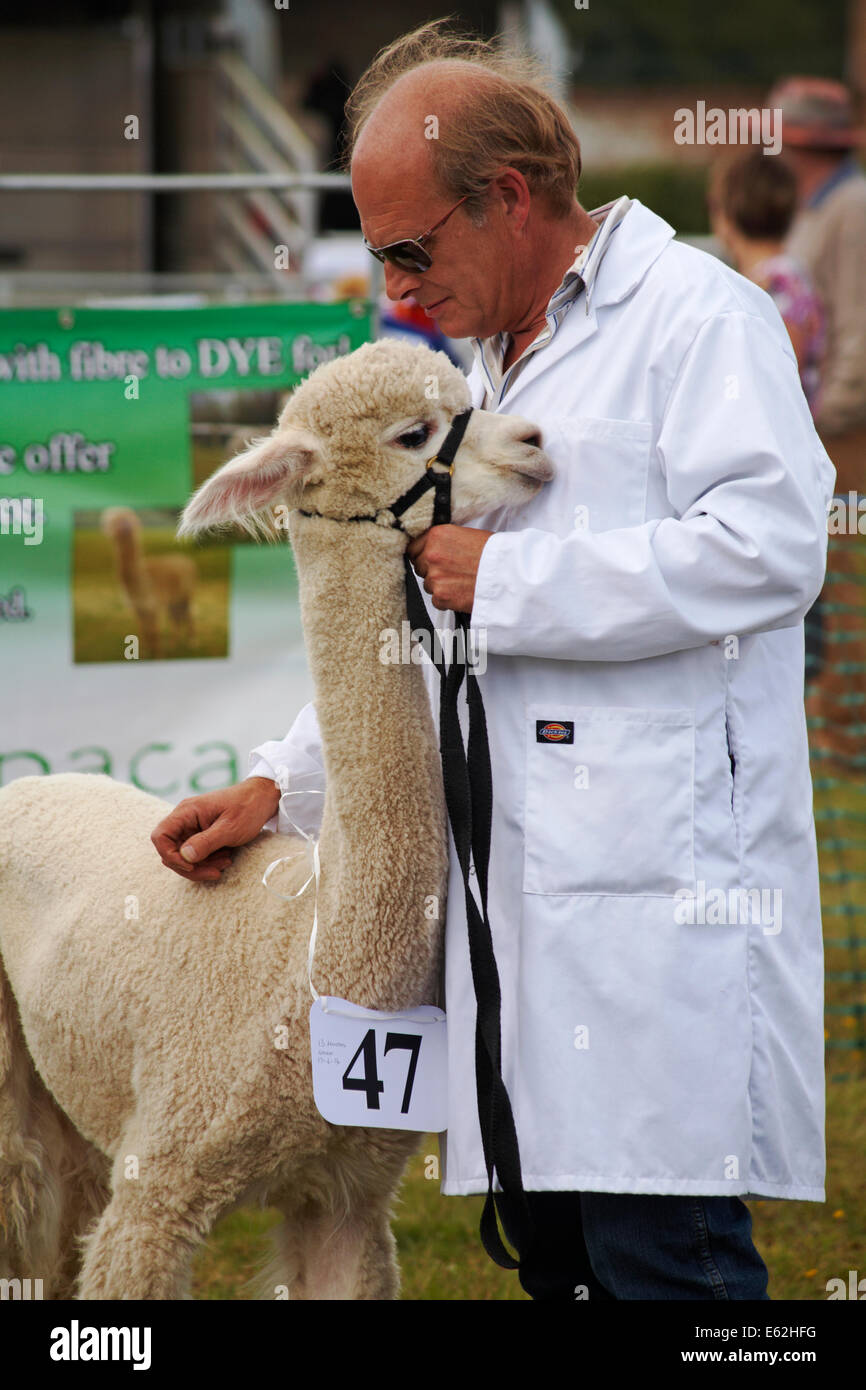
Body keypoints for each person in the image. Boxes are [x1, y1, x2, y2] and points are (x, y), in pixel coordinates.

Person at [152, 21, 835, 1300]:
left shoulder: (694, 321)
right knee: (560, 1264)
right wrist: (280, 785)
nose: (398, 289)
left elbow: (769, 548)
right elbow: (396, 618)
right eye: (381, 256)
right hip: (513, 920)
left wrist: (511, 580)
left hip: (655, 920)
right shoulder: (470, 366)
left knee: (669, 1271)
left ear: (508, 199)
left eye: (412, 248)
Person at [768, 78, 866, 762]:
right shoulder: (820, 206)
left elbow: (861, 325)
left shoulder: (853, 207)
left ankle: (844, 729)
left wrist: (827, 418)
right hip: (827, 429)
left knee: (851, 578)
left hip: (847, 431)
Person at [708, 149, 826, 679]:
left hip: (782, 463)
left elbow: (773, 376)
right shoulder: (788, 278)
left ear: (723, 216)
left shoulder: (769, 289)